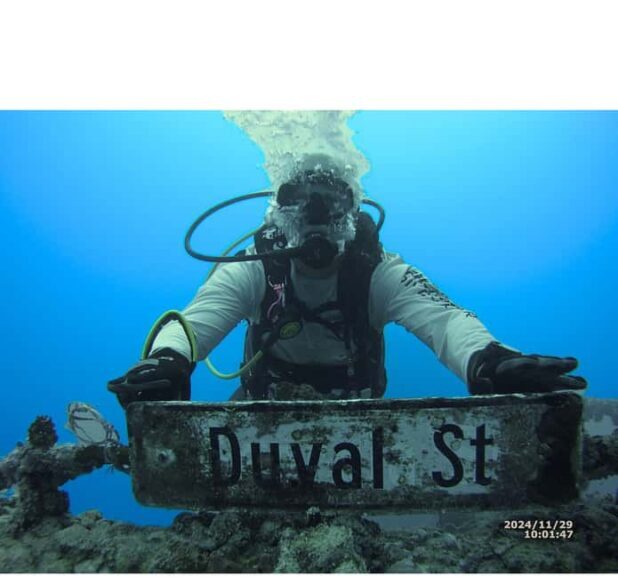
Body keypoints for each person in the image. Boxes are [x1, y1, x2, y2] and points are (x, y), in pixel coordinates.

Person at [108, 154, 587, 407]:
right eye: (300, 202)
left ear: (352, 214)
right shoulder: (256, 267)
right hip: (262, 410)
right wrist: (168, 361)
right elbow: (196, 321)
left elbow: (444, 320)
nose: (316, 216)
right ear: (280, 212)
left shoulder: (378, 272)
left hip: (355, 421)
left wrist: (487, 361)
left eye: (332, 203)